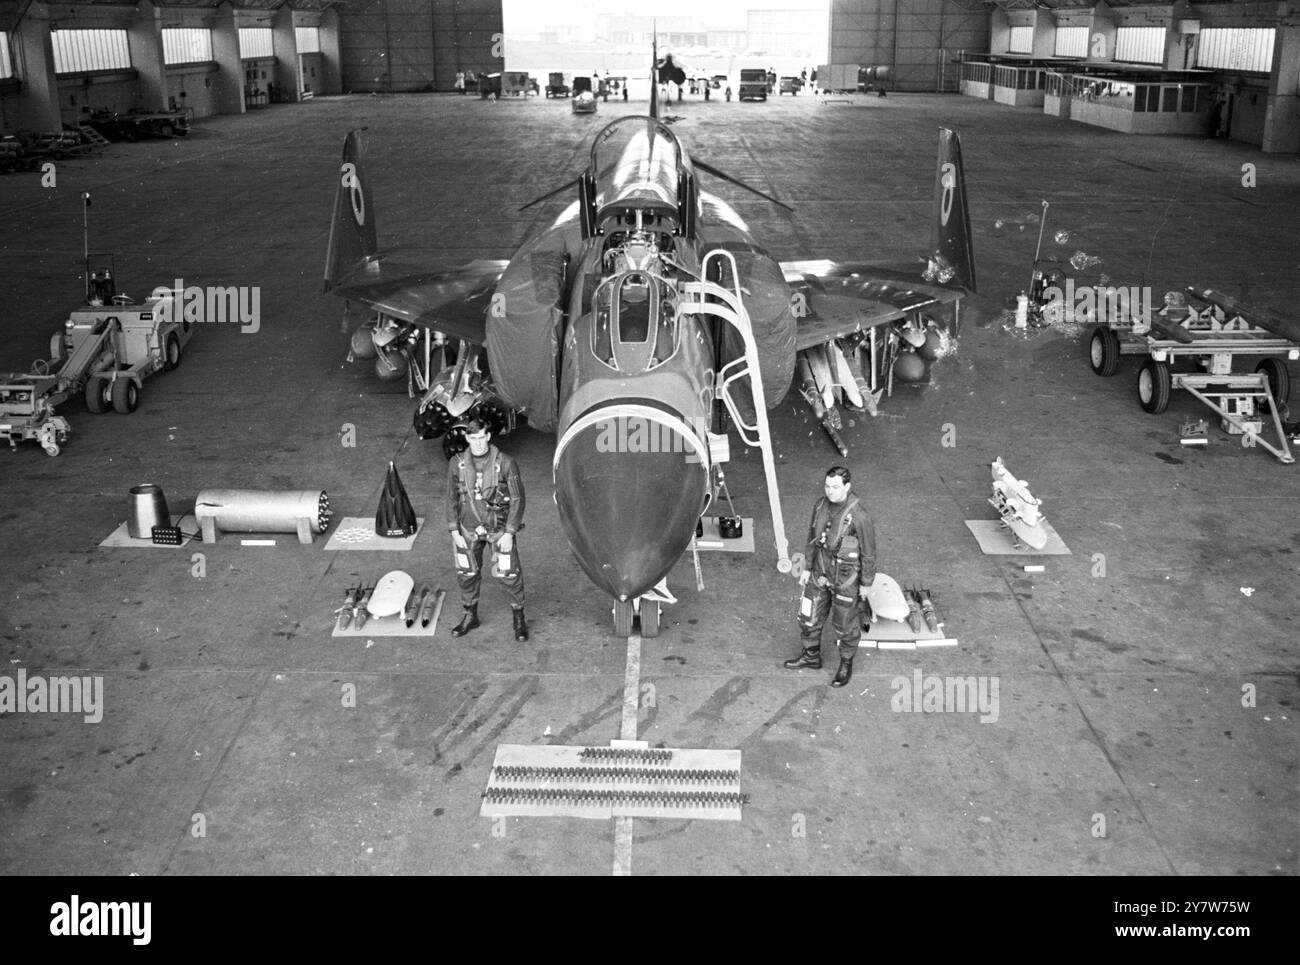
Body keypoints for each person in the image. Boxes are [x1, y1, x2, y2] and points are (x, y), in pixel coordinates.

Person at [784, 466, 876, 688]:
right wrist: (807, 567)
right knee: (808, 616)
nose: (830, 491)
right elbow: (812, 536)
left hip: (845, 578)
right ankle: (811, 656)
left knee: (845, 624)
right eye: (827, 486)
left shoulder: (859, 517)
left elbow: (869, 553)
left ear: (847, 487)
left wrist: (866, 584)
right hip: (819, 570)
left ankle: (845, 664)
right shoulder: (820, 505)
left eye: (835, 487)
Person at [445, 418, 529, 641]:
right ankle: (470, 615)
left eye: (482, 437)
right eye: (473, 438)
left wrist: (510, 533)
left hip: (499, 531)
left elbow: (518, 499)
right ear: (467, 438)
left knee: (509, 574)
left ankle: (519, 617)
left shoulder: (506, 463)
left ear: (489, 436)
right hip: (467, 530)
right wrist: (454, 531)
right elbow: (451, 498)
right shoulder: (457, 464)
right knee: (466, 574)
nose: (479, 443)